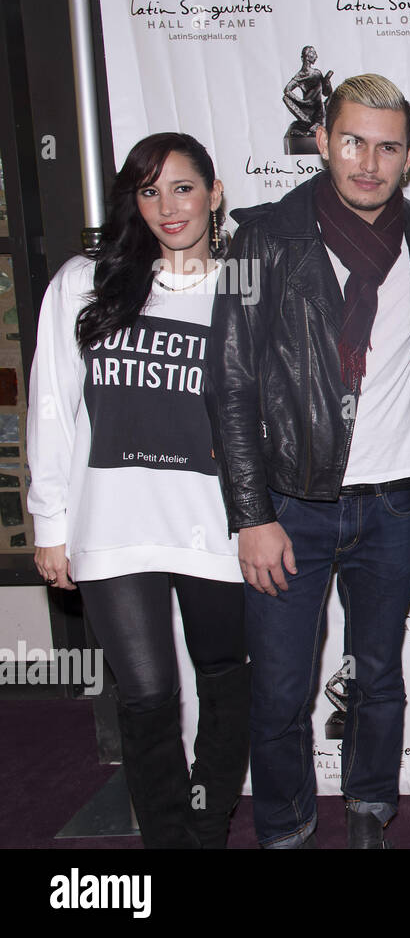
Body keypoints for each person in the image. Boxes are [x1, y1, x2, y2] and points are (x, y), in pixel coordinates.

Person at [208, 73, 410, 849]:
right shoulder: (263, 238)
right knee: (283, 687)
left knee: (378, 676)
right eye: (352, 141)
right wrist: (251, 515)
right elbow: (229, 382)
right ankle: (285, 828)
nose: (367, 161)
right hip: (292, 503)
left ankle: (368, 811)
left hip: (394, 502)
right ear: (322, 141)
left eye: (387, 147)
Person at [29, 132, 248, 848]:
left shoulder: (244, 285)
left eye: (183, 188)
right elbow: (53, 404)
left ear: (214, 194)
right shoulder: (86, 281)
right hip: (112, 524)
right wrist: (48, 522)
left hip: (215, 522)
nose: (167, 206)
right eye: (149, 191)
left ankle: (209, 823)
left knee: (224, 679)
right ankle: (169, 841)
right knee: (149, 696)